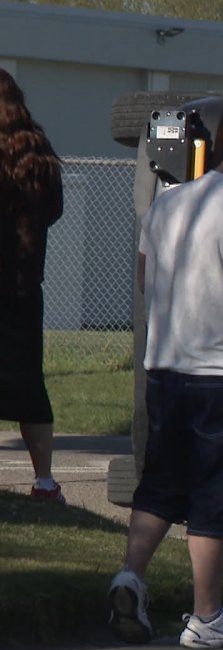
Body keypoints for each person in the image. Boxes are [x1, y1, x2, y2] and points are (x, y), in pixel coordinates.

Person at [108, 123, 223, 649]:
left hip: (165, 369)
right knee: (216, 496)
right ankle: (207, 616)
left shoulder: (167, 206)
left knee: (161, 485)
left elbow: (147, 277)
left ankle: (130, 577)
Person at [0, 68, 65, 504]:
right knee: (29, 384)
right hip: (24, 287)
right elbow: (54, 212)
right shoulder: (40, 157)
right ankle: (44, 481)